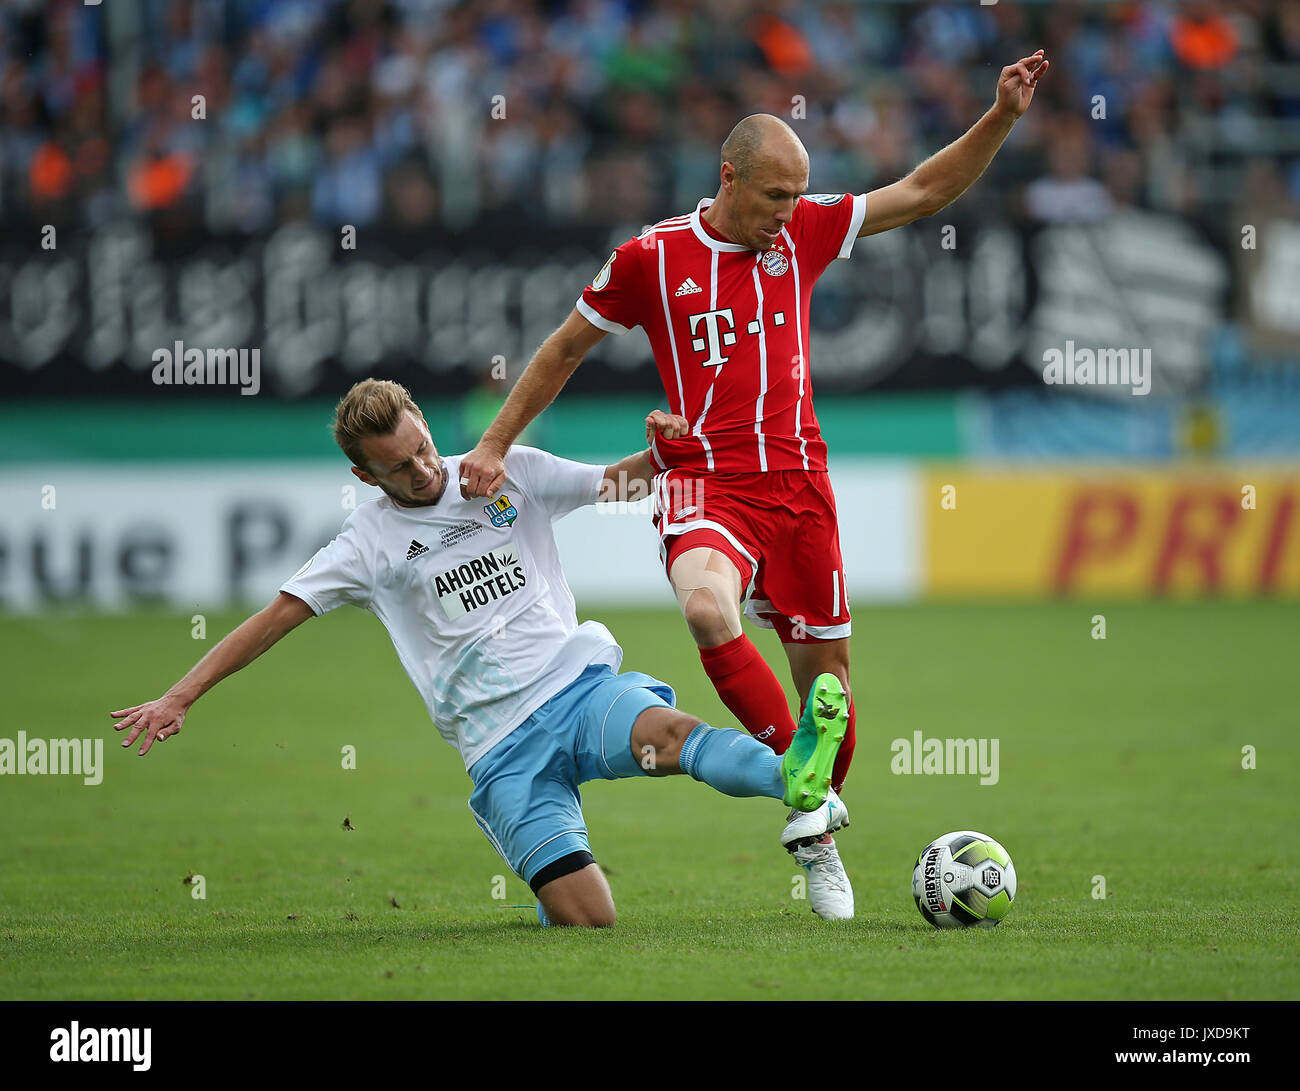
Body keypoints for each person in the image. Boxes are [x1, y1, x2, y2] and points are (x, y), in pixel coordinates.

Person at [456, 52, 1051, 920]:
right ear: (729, 177)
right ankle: (808, 814)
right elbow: (563, 348)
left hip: (802, 487)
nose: (789, 214)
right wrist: (495, 444)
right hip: (709, 482)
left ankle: (814, 814)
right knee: (707, 609)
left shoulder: (804, 231)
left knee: (827, 706)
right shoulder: (651, 258)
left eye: (798, 196)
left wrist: (1000, 115)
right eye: (775, 196)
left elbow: (924, 191)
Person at [109, 379, 850, 928]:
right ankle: (543, 868)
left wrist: (666, 447)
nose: (423, 471)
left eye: (422, 448)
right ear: (364, 477)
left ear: (426, 425)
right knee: (589, 919)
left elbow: (616, 485)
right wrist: (180, 695)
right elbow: (271, 619)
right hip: (498, 749)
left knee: (674, 736)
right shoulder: (364, 544)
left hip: (577, 689)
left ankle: (802, 783)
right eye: (398, 468)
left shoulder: (505, 472)